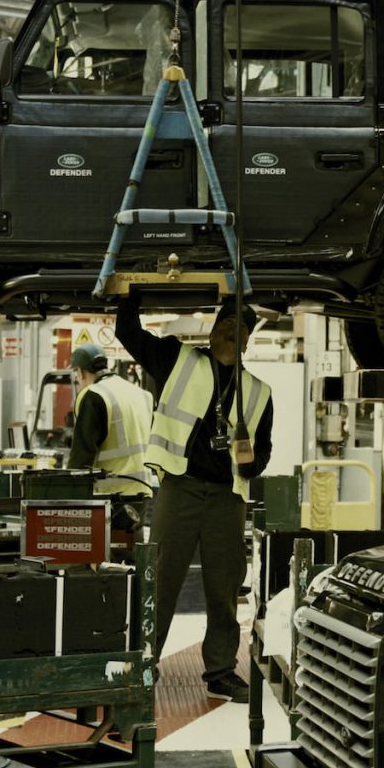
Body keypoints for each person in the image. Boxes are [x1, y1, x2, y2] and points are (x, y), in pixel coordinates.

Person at [114, 292, 274, 702]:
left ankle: (221, 670)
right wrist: (133, 293)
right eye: (226, 323)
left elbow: (264, 450)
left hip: (227, 497)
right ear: (214, 326)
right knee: (161, 580)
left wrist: (251, 462)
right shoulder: (177, 359)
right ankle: (144, 664)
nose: (232, 333)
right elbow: (127, 333)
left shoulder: (258, 391)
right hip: (179, 488)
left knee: (224, 586)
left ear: (247, 339)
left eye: (241, 329)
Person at [64, 342, 154, 509]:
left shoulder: (94, 395)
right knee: (134, 535)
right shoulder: (142, 394)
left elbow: (82, 456)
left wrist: (69, 493)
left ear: (80, 372)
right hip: (142, 490)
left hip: (110, 496)